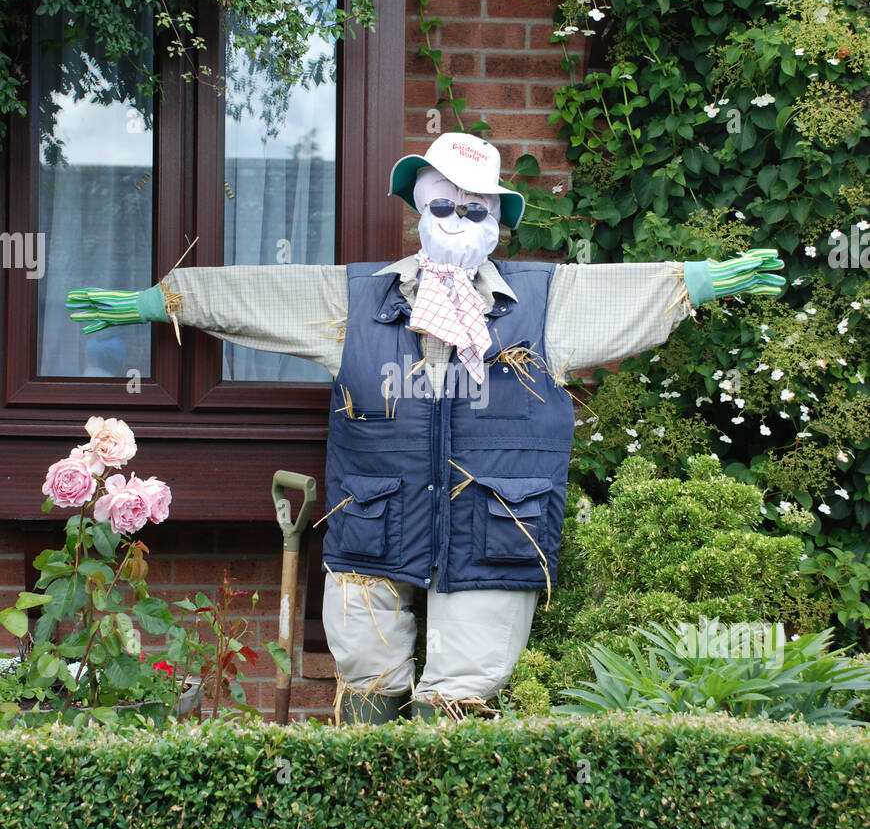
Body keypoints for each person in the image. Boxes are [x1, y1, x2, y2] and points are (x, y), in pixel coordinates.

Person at [67, 132, 786, 723]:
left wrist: (693, 283)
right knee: (367, 686)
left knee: (461, 698)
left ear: (499, 221)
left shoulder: (543, 303)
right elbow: (268, 295)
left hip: (495, 525)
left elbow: (620, 293)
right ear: (418, 204)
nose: (459, 221)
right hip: (375, 519)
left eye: (477, 211)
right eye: (444, 205)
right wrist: (165, 301)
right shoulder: (359, 299)